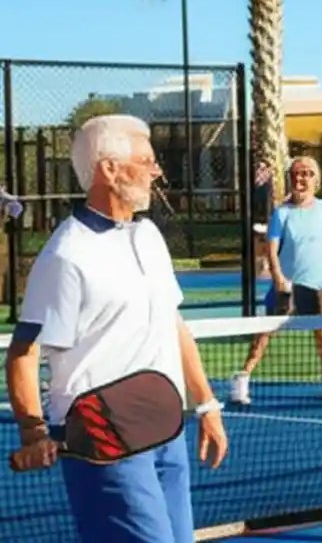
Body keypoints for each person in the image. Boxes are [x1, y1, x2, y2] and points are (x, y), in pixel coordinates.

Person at [4, 114, 228, 543]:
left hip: (166, 434)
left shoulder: (149, 236)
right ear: (108, 169)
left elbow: (172, 322)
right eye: (145, 161)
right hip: (105, 442)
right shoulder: (66, 255)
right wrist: (33, 432)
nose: (156, 171)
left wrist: (207, 405)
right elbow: (24, 352)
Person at [229, 155, 322, 405]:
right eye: (295, 174)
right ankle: (242, 378)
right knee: (265, 332)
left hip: (320, 283)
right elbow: (271, 250)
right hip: (288, 285)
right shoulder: (281, 213)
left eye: (306, 174)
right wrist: (279, 277)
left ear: (316, 180)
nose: (300, 179)